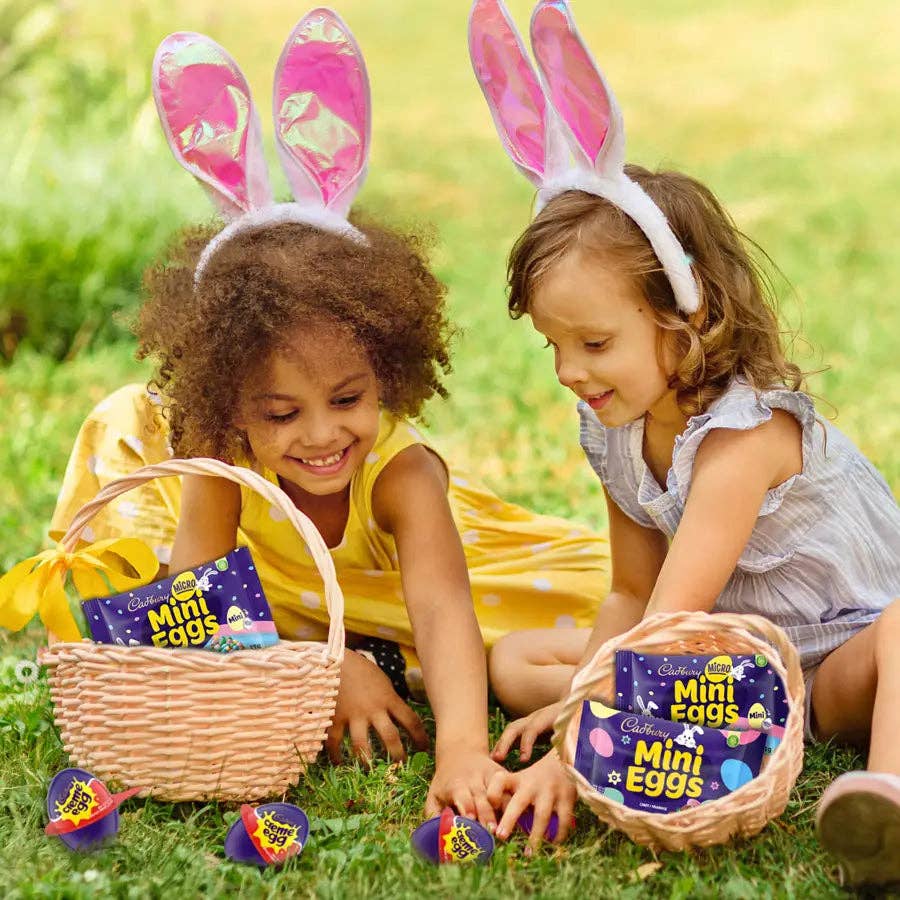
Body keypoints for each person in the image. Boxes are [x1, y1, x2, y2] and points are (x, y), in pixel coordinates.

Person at [49, 11, 610, 827]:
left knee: (553, 633)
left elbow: (442, 609)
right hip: (305, 612)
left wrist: (460, 748)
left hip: (444, 585)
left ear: (386, 371)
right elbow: (196, 609)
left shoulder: (401, 473)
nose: (320, 436)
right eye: (282, 412)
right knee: (136, 583)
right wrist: (327, 665)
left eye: (348, 400)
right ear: (231, 405)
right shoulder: (221, 455)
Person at [469, 0, 900, 879]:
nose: (569, 371)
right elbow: (632, 592)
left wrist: (572, 746)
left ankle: (883, 796)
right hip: (736, 675)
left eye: (595, 343)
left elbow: (668, 618)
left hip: (842, 664)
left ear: (686, 315)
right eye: (553, 346)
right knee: (514, 662)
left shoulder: (746, 438)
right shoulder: (614, 430)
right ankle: (709, 718)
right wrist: (581, 700)